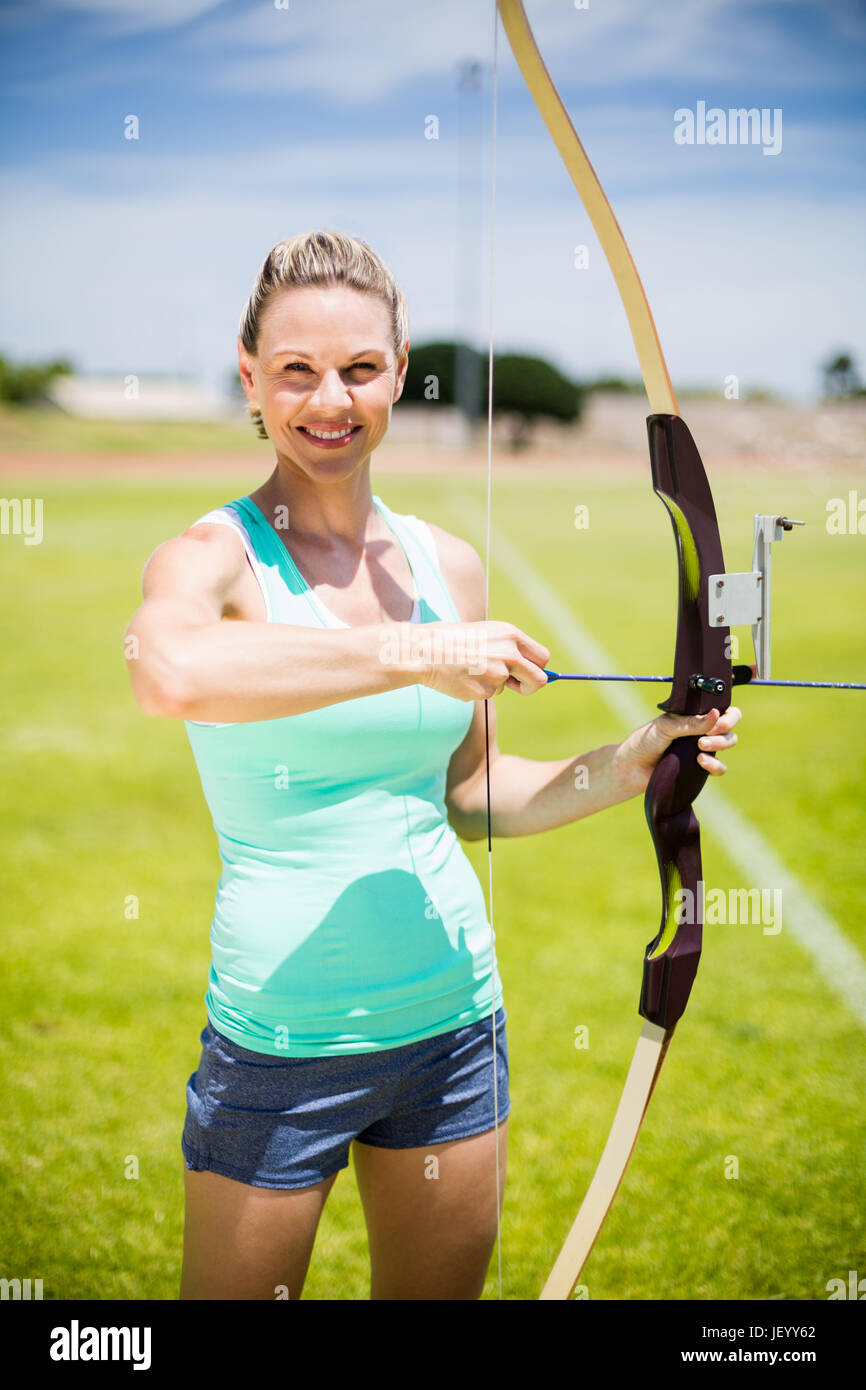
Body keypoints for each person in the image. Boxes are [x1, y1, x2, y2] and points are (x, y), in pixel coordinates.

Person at [124, 229, 740, 1300]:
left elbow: (468, 792)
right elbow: (168, 669)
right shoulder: (212, 554)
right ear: (248, 376)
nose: (330, 398)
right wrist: (407, 648)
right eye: (296, 371)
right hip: (280, 1038)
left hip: (455, 1032)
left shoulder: (441, 561)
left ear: (400, 371)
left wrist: (632, 759)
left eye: (360, 368)